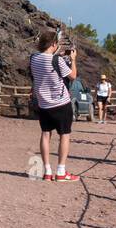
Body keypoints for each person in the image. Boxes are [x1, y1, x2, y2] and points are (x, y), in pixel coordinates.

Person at [29, 30, 79, 181]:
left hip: (43, 104)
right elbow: (73, 76)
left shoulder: (33, 58)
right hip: (61, 103)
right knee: (64, 135)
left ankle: (47, 171)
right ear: (53, 44)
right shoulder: (57, 60)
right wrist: (73, 59)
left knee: (45, 134)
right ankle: (61, 171)